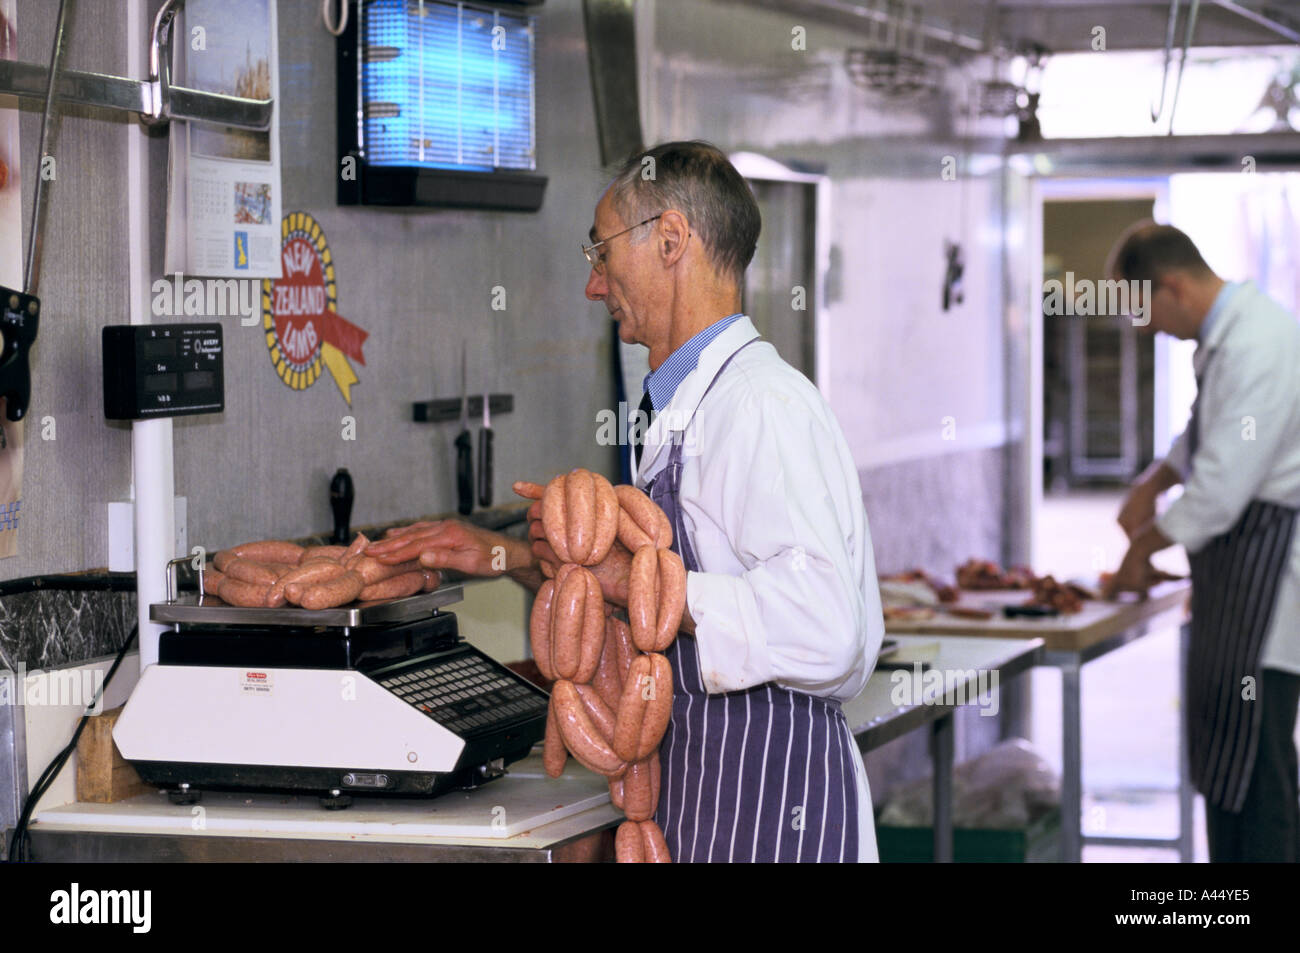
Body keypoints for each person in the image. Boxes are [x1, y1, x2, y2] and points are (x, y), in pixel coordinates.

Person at [371, 141, 884, 863]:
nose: (593, 283)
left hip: (779, 811)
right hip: (708, 800)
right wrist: (510, 556)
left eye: (601, 252)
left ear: (671, 241)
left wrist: (641, 583)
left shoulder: (762, 407)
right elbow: (661, 608)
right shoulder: (686, 412)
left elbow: (830, 628)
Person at [1103, 222, 1300, 862]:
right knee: (1226, 767)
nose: (1147, 329)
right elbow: (1202, 435)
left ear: (1173, 287)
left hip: (1268, 585)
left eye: (1148, 314)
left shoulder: (1261, 343)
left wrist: (1142, 548)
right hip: (1234, 582)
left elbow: (1221, 486)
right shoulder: (1224, 341)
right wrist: (1153, 481)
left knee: (1259, 773)